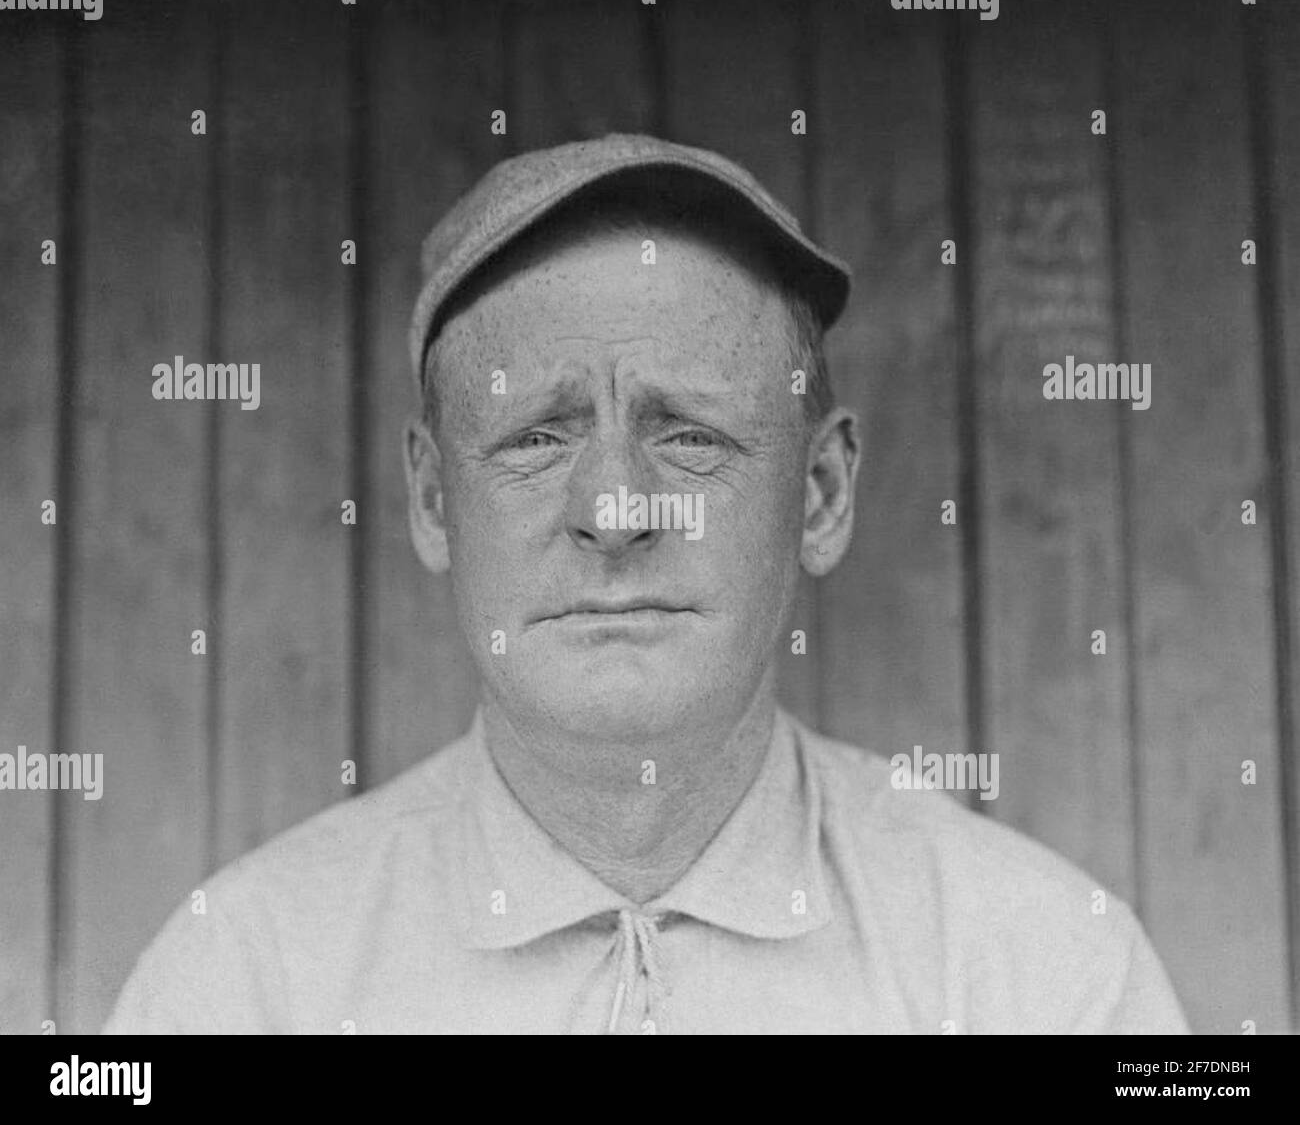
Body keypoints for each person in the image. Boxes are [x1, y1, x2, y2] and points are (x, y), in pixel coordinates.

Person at [104, 133, 1187, 1034]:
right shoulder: (238, 984)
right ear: (434, 500)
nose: (615, 509)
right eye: (535, 436)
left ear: (819, 492)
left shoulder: (1048, 974)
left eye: (690, 434)